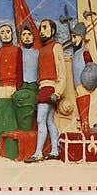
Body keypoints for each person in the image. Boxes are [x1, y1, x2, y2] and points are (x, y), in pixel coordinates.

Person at [28, 18, 71, 162]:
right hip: (43, 87)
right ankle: (54, 150)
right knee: (49, 121)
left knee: (40, 120)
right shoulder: (42, 49)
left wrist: (57, 92)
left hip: (50, 88)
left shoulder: (56, 47)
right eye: (41, 28)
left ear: (52, 31)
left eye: (45, 28)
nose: (42, 31)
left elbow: (62, 72)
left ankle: (38, 153)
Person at [0, 22, 23, 99]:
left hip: (13, 86)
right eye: (2, 33)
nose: (5, 35)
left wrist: (19, 88)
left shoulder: (17, 50)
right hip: (2, 87)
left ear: (12, 34)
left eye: (8, 32)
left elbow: (20, 70)